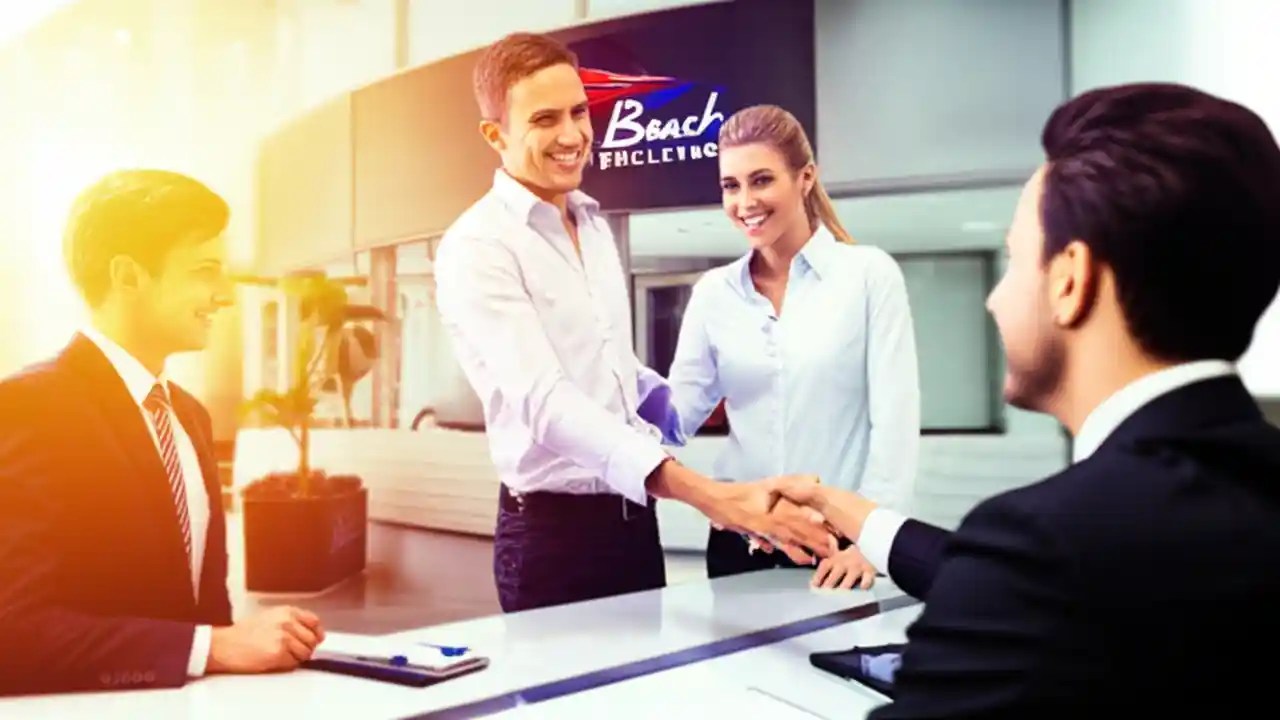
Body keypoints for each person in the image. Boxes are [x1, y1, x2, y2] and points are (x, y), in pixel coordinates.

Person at [776, 82, 1280, 717]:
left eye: (1016, 261)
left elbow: (1037, 573)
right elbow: (1014, 574)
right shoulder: (1243, 484)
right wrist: (844, 508)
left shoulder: (1045, 548)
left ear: (1071, 281)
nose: (995, 299)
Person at [434, 32, 834, 614]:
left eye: (578, 112)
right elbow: (545, 401)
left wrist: (707, 395)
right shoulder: (477, 245)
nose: (573, 135)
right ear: (495, 135)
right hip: (553, 537)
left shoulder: (592, 223)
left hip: (632, 522)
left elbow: (614, 372)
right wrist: (710, 498)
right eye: (545, 119)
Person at [0, 170, 325, 696]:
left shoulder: (190, 417)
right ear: (128, 275)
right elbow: (10, 633)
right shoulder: (28, 407)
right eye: (205, 271)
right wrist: (211, 647)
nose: (224, 294)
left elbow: (205, 614)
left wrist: (244, 645)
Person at [666, 105, 920, 589]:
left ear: (805, 178)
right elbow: (674, 418)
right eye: (730, 185)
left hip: (838, 548)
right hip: (741, 543)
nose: (744, 201)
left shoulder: (868, 276)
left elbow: (895, 425)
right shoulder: (713, 294)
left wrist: (871, 542)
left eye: (761, 180)